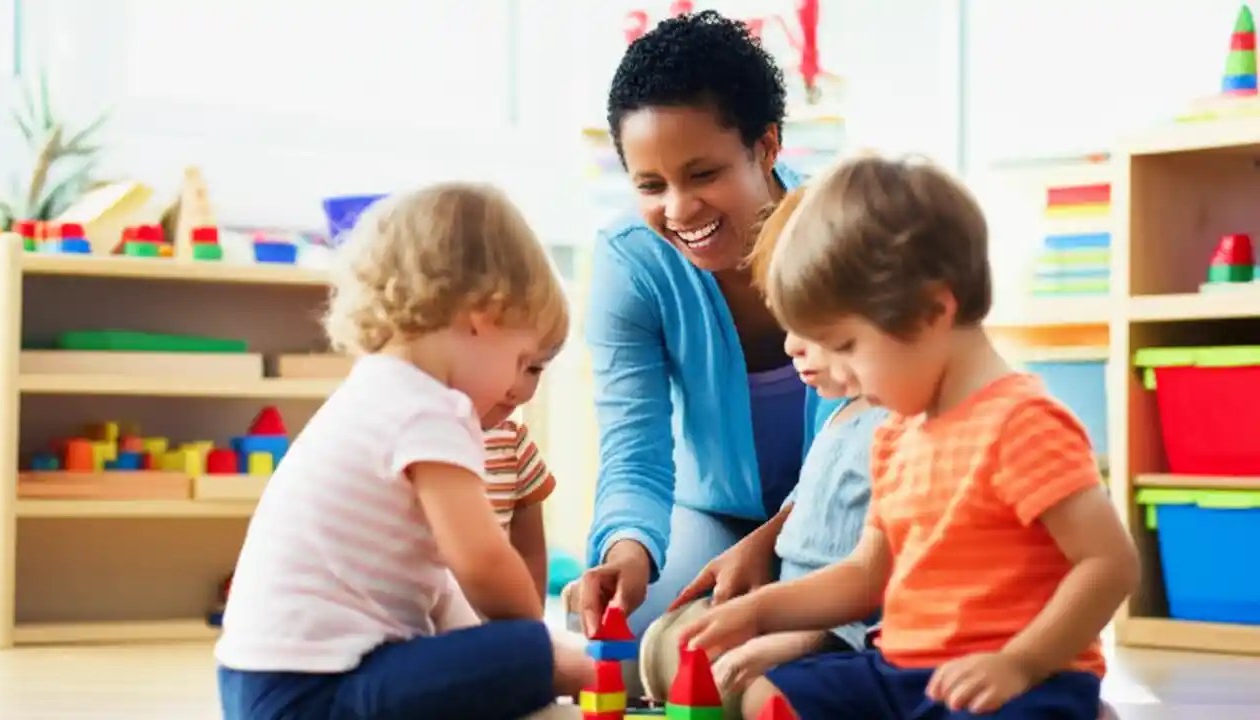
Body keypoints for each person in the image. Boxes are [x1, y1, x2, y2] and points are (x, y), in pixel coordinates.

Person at [680, 154, 1140, 720]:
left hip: (1016, 681)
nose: (840, 373)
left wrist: (1021, 662)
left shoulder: (1022, 424)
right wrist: (760, 611)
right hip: (902, 671)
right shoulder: (897, 435)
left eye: (847, 347)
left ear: (931, 311)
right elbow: (864, 577)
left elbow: (1110, 564)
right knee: (770, 698)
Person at [214, 183, 594, 720]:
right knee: (534, 654)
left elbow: (438, 590)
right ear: (483, 316)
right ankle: (606, 679)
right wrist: (536, 647)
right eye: (522, 360)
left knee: (498, 658)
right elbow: (482, 561)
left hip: (265, 687)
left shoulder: (376, 392)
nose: (522, 390)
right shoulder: (428, 409)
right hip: (318, 692)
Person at [573, 8, 840, 642]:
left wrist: (772, 543)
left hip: (843, 508)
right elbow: (633, 448)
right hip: (713, 514)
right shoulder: (630, 263)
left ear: (766, 147)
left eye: (703, 174)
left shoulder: (840, 232)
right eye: (650, 185)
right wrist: (626, 551)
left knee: (829, 625)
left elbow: (862, 445)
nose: (678, 208)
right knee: (631, 633)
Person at [636, 187, 889, 718]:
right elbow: (809, 502)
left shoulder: (895, 426)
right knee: (665, 642)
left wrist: (805, 637)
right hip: (789, 605)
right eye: (784, 323)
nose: (790, 345)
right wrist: (758, 552)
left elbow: (877, 576)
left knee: (750, 689)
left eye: (809, 327)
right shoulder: (843, 413)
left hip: (839, 632)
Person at [481, 352, 559, 604]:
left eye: (534, 369)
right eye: (497, 361)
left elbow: (530, 556)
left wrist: (531, 620)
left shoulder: (513, 444)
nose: (517, 387)